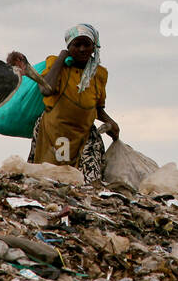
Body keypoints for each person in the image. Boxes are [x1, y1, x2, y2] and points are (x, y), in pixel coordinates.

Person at [8, 23, 119, 183]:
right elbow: (46, 90)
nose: (82, 49)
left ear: (94, 47)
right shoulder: (56, 64)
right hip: (56, 133)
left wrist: (111, 122)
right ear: (69, 46)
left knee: (89, 183)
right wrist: (61, 59)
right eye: (76, 45)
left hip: (85, 135)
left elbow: (97, 108)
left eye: (86, 44)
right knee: (52, 178)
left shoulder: (99, 74)